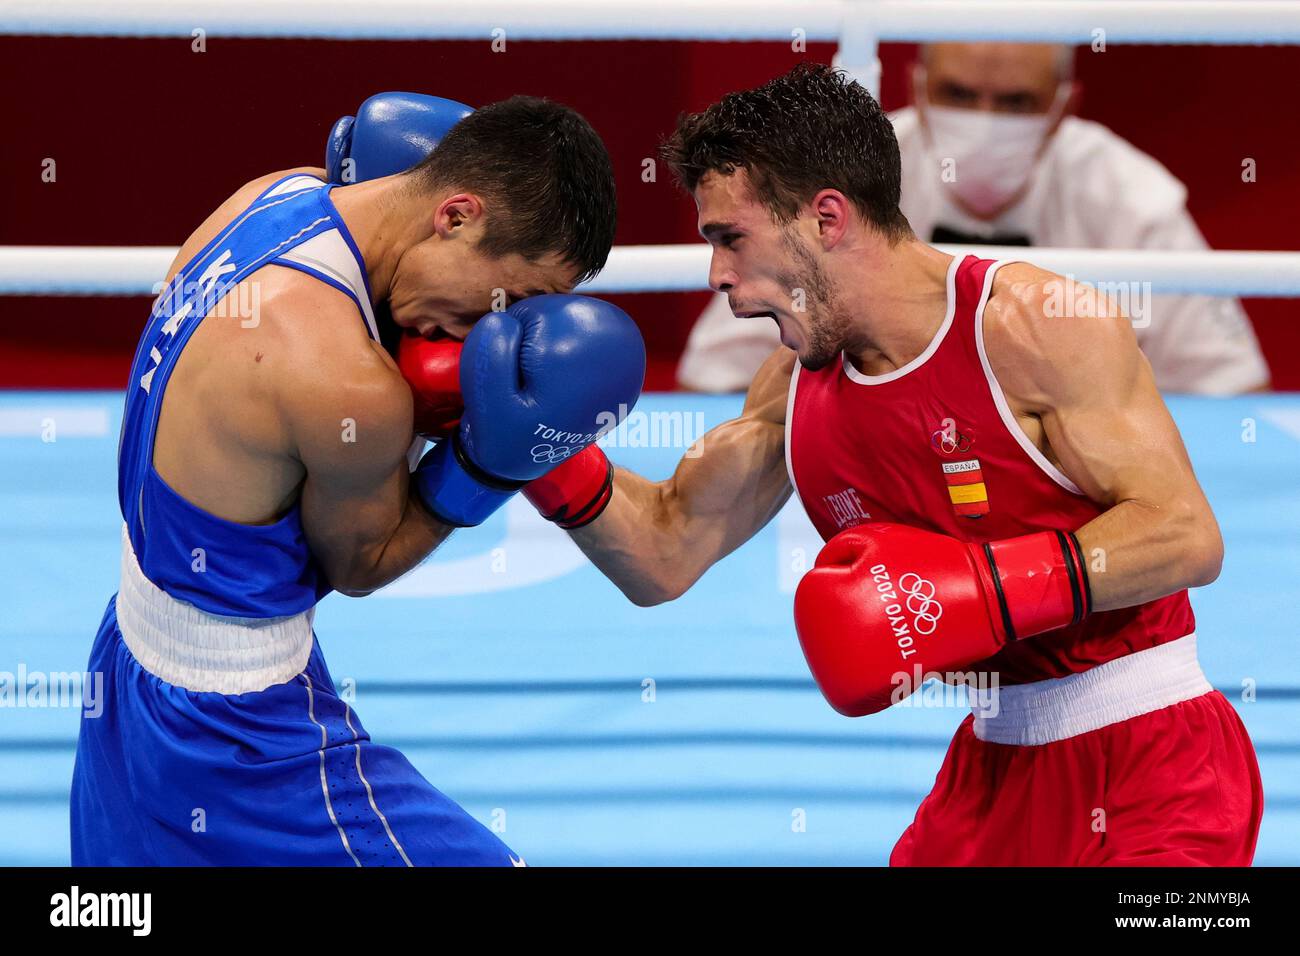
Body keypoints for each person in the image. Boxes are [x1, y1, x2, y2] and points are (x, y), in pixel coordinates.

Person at [555, 64, 1262, 865]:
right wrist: (540, 459)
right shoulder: (794, 386)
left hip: (1154, 762)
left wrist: (985, 590)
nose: (717, 274)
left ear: (826, 217)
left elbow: (1185, 534)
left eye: (730, 238)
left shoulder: (1029, 328)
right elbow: (666, 549)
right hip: (990, 770)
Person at [70, 92, 645, 865]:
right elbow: (362, 562)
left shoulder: (270, 196)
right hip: (233, 733)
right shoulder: (347, 382)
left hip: (128, 656)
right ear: (456, 215)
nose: (490, 330)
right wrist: (484, 464)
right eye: (514, 296)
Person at [678, 44, 1270, 396]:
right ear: (919, 87)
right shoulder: (833, 184)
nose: (985, 123)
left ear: (1065, 106)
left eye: (1015, 103)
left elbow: (1229, 388)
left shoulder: (1131, 196)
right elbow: (715, 376)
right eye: (960, 94)